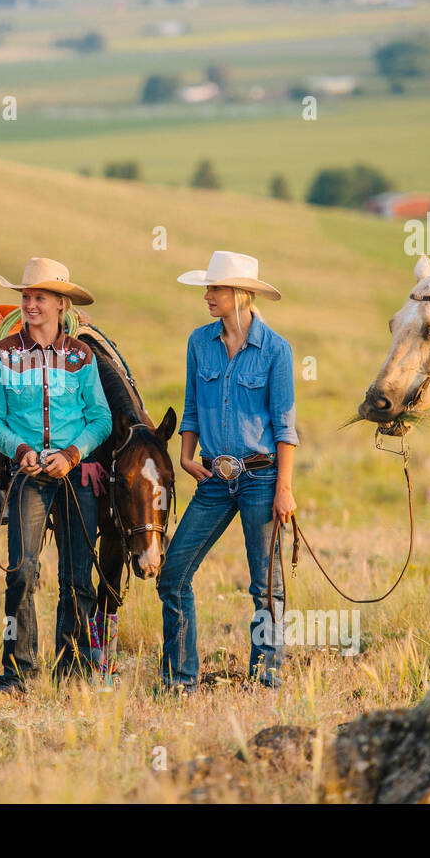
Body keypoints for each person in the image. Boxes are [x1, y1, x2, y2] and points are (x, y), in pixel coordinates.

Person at [157, 250, 298, 692]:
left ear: (240, 294)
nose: (207, 296)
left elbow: (284, 425)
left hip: (262, 477)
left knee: (265, 587)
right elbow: (193, 406)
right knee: (173, 575)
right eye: (208, 287)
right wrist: (185, 455)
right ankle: (181, 679)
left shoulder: (276, 350)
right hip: (214, 479)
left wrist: (285, 489)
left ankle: (265, 680)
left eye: (215, 288)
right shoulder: (199, 343)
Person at [0, 258, 112, 693]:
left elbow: (100, 418)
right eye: (25, 297)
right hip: (29, 474)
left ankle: (72, 668)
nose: (30, 304)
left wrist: (74, 454)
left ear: (60, 303)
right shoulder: (0, 356)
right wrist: (20, 450)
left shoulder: (81, 356)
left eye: (39, 297)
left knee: (77, 575)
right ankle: (17, 671)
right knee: (20, 571)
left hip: (74, 476)